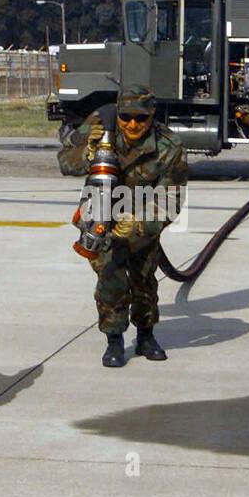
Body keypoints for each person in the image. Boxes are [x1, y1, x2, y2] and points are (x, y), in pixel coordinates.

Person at [58, 86, 188, 367]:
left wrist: (139, 225)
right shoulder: (100, 129)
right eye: (126, 117)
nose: (132, 124)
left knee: (144, 280)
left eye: (140, 118)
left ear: (151, 115)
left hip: (142, 221)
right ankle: (114, 340)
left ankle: (146, 336)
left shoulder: (168, 145)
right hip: (101, 217)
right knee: (110, 280)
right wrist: (89, 153)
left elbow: (172, 197)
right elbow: (65, 162)